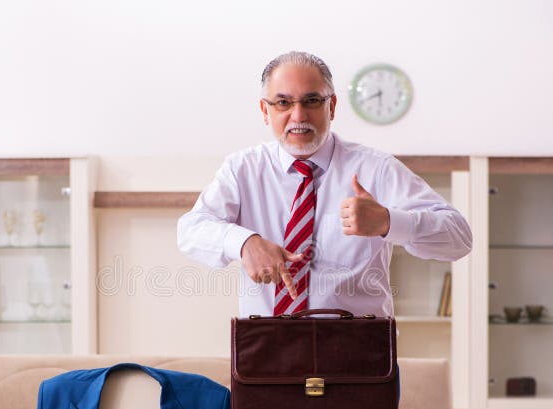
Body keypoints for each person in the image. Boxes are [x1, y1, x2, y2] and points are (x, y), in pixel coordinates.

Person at [177, 51, 471, 318]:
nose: (298, 116)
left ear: (331, 106)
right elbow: (190, 230)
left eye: (312, 101)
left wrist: (388, 221)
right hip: (268, 354)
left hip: (360, 359)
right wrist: (242, 242)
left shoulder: (376, 169)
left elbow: (459, 237)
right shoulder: (242, 169)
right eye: (283, 103)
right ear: (265, 111)